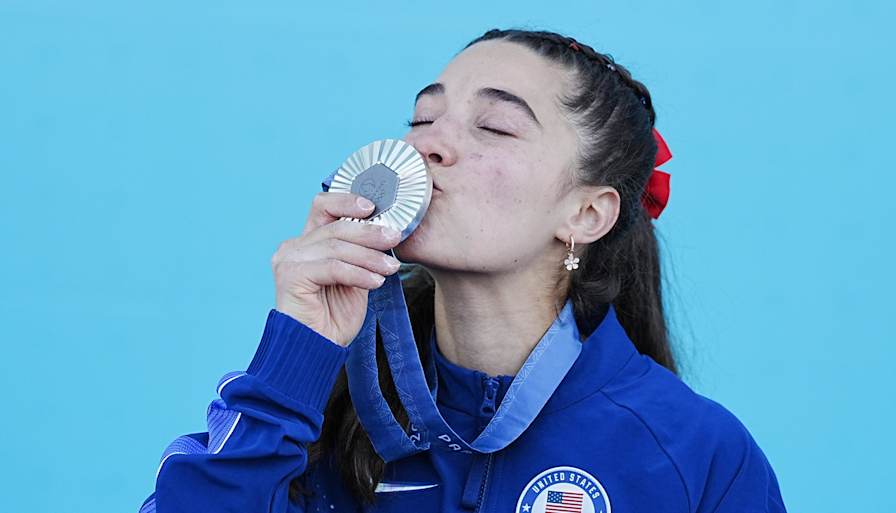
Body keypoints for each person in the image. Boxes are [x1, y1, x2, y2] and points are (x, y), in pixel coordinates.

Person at [139, 28, 787, 513]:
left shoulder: (696, 452)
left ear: (587, 212)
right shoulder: (321, 416)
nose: (426, 145)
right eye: (422, 120)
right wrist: (295, 354)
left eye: (495, 127)